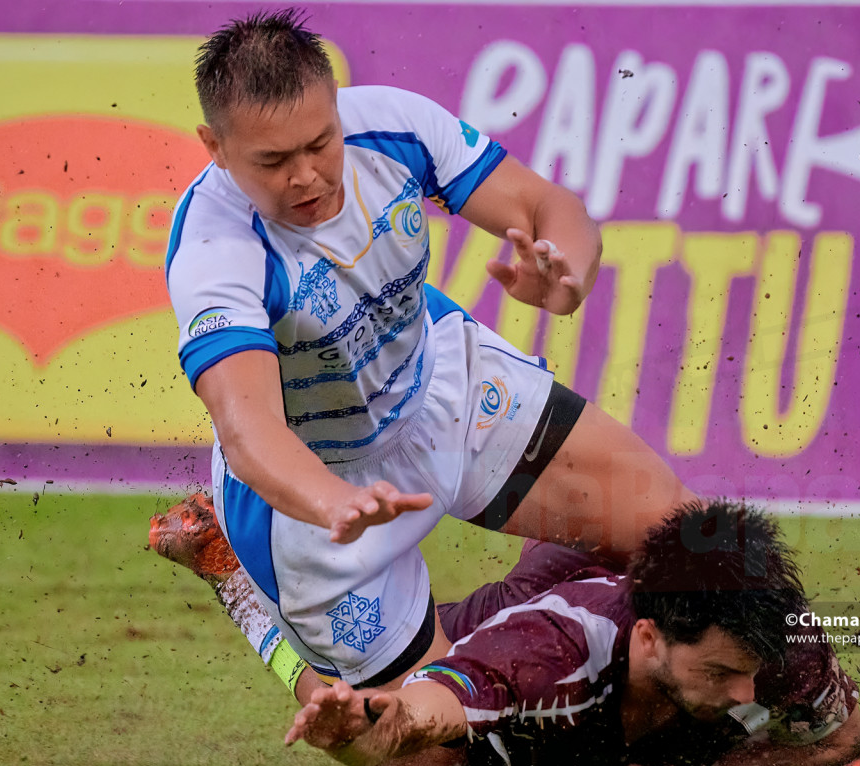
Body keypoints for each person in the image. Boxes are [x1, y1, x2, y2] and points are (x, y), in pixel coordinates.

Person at [165, 10, 693, 692]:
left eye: (320, 144)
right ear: (215, 146)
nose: (306, 177)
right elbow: (249, 433)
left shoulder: (393, 126)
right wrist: (331, 504)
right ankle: (244, 590)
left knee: (689, 543)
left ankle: (808, 724)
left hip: (442, 386)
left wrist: (567, 272)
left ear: (335, 108)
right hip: (313, 484)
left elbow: (544, 204)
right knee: (431, 752)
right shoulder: (214, 252)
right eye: (273, 161)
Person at [151, 495, 860, 766]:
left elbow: (839, 743)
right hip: (536, 612)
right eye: (723, 673)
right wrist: (389, 717)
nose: (748, 693)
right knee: (401, 750)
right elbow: (434, 710)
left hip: (606, 579)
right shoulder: (549, 646)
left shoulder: (785, 642)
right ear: (651, 638)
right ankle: (231, 573)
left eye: (751, 676)